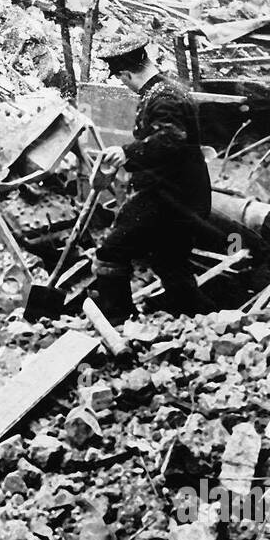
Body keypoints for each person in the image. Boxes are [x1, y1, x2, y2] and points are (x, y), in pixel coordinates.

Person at [90, 30, 212, 323]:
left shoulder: (164, 97)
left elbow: (170, 139)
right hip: (184, 197)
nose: (122, 84)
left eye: (120, 78)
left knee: (111, 251)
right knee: (170, 262)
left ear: (127, 74)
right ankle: (203, 321)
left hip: (167, 198)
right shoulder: (168, 90)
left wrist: (127, 153)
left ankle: (118, 322)